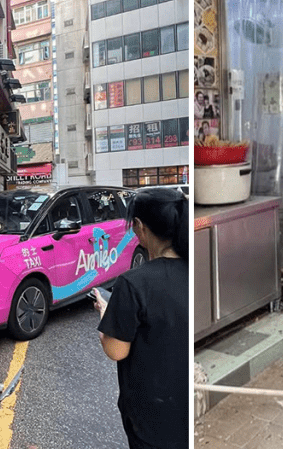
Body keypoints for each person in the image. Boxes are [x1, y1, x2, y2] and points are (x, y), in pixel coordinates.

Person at [93, 188, 188, 449]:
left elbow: (115, 349)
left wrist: (105, 314)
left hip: (153, 419)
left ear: (140, 227)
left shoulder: (133, 284)